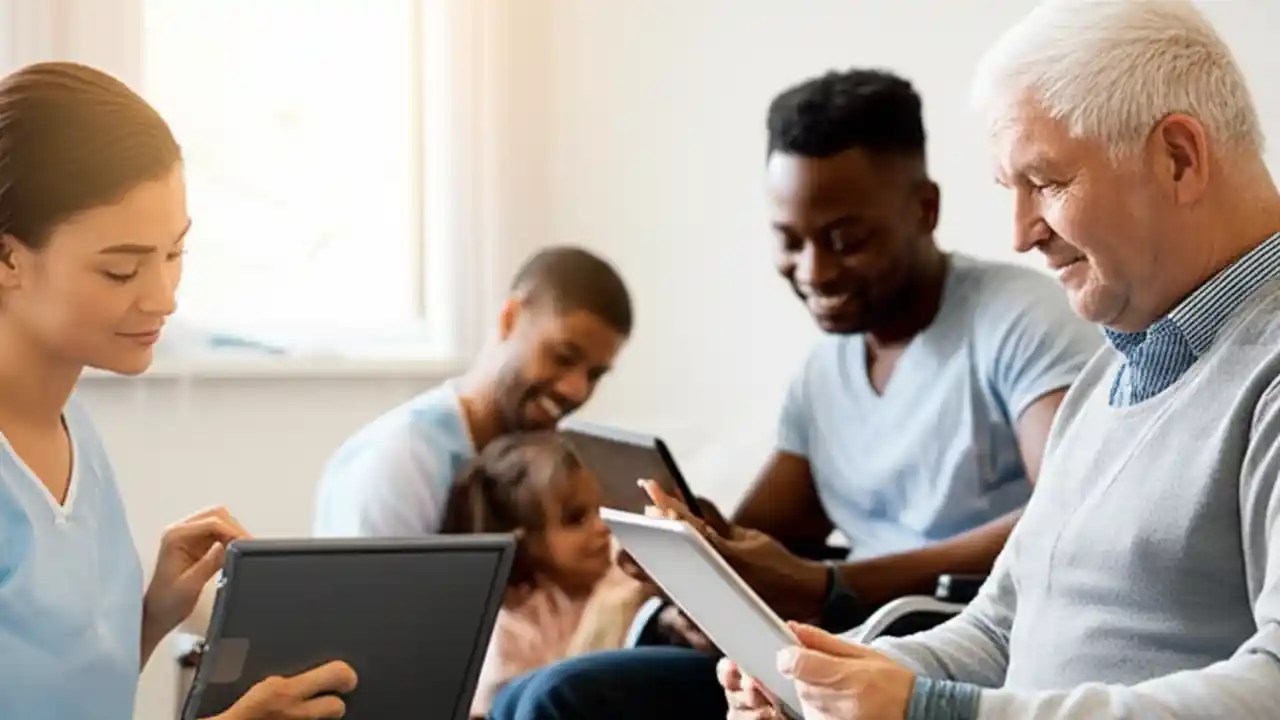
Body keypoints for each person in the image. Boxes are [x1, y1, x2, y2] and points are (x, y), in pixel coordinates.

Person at [722, 1, 1280, 718]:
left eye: (1045, 182)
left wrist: (935, 711)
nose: (1019, 234)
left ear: (1178, 157)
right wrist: (826, 679)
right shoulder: (1107, 376)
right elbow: (998, 628)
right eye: (1007, 190)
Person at [490, 68, 1101, 720]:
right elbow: (760, 534)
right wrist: (696, 558)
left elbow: (1066, 511)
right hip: (831, 645)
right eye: (790, 241)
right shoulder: (824, 371)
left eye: (844, 240)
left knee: (556, 700)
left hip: (941, 657)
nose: (814, 270)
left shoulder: (1018, 320)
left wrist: (833, 584)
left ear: (924, 209)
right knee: (533, 695)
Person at [0, 62, 355, 719]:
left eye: (174, 255)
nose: (163, 297)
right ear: (9, 259)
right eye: (122, 269)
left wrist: (152, 613)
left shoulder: (76, 437)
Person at [312, 246, 632, 537]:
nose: (576, 390)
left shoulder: (542, 474)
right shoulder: (404, 459)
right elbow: (373, 598)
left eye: (595, 375)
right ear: (510, 319)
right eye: (563, 356)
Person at [441, 432, 652, 717]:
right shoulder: (515, 626)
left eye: (604, 507)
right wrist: (610, 608)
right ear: (527, 542)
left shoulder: (634, 580)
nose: (602, 526)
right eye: (576, 518)